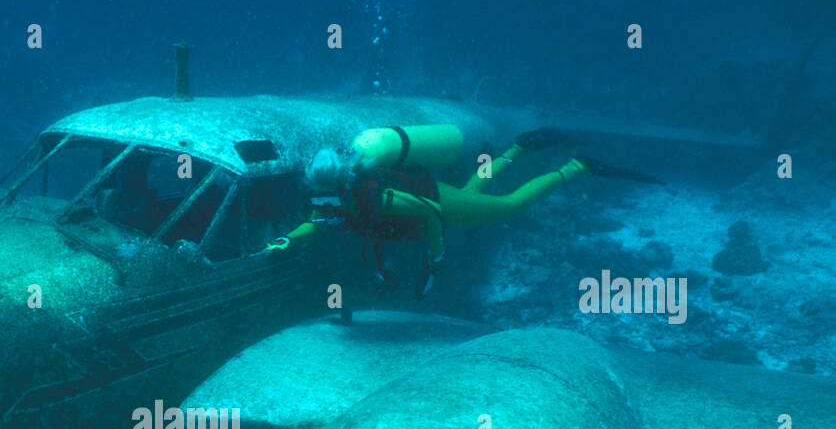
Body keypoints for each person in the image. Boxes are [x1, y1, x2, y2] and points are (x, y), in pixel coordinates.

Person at [266, 125, 662, 297]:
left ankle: (577, 168)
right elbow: (321, 222)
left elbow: (430, 215)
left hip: (439, 203)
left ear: (336, 183)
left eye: (321, 192)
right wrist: (287, 238)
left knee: (509, 206)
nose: (319, 197)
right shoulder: (334, 194)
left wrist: (435, 258)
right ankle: (519, 149)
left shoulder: (376, 197)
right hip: (436, 196)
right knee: (475, 190)